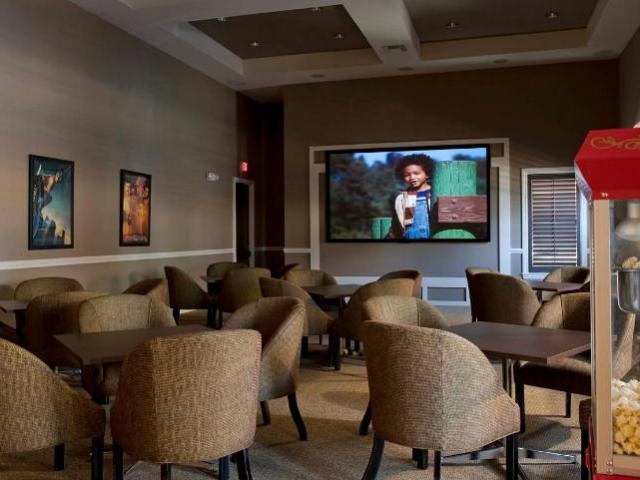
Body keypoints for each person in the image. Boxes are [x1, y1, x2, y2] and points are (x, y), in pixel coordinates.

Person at [387, 154, 434, 239]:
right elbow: (396, 227)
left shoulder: (435, 193)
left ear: (427, 174)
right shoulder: (401, 199)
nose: (412, 177)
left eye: (416, 173)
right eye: (407, 175)